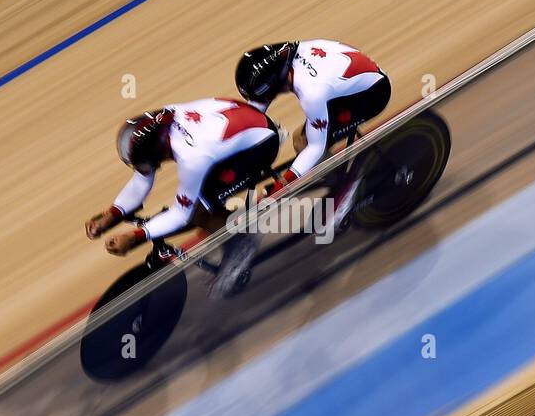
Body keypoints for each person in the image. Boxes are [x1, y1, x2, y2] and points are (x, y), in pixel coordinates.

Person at [85, 98, 279, 274]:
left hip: (259, 145)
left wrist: (135, 236)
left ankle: (241, 244)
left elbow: (180, 215)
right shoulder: (162, 123)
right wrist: (111, 216)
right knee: (192, 204)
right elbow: (141, 181)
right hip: (242, 127)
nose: (143, 168)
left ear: (155, 152)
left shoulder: (191, 157)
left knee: (197, 211)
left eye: (143, 162)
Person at [234, 39, 390, 195]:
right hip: (352, 83)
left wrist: (283, 185)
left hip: (371, 96)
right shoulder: (286, 57)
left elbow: (315, 147)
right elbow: (258, 104)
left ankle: (344, 189)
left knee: (302, 141)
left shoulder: (311, 93)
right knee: (306, 138)